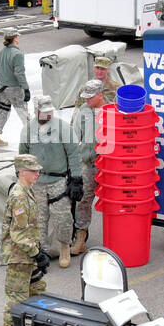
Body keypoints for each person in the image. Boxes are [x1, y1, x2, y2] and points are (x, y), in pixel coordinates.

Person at [19, 95, 82, 269]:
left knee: (62, 217)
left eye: (49, 111)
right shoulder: (28, 130)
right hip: (37, 181)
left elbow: (73, 154)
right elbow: (22, 155)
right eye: (43, 112)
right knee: (38, 219)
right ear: (36, 111)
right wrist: (22, 179)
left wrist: (76, 179)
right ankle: (41, 251)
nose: (47, 115)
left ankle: (64, 248)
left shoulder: (62, 128)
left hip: (58, 180)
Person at [0, 153, 47, 326]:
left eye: (38, 170)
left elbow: (29, 228)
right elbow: (18, 234)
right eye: (33, 171)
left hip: (29, 254)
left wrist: (38, 251)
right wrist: (37, 254)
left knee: (38, 291)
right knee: (16, 298)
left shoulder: (27, 191)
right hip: (19, 257)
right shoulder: (19, 196)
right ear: (22, 171)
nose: (37, 174)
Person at [70, 79, 104, 257]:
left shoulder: (111, 112)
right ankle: (80, 237)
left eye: (90, 97)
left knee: (112, 201)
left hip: (108, 165)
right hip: (88, 163)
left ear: (100, 95)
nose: (87, 101)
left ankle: (114, 237)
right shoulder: (83, 111)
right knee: (84, 199)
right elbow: (74, 138)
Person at [0, 27, 30, 147]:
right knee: (24, 114)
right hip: (15, 89)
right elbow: (19, 73)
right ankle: (32, 139)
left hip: (2, 88)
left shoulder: (1, 53)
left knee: (3, 112)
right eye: (18, 36)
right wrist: (26, 88)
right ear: (15, 38)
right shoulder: (17, 54)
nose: (19, 37)